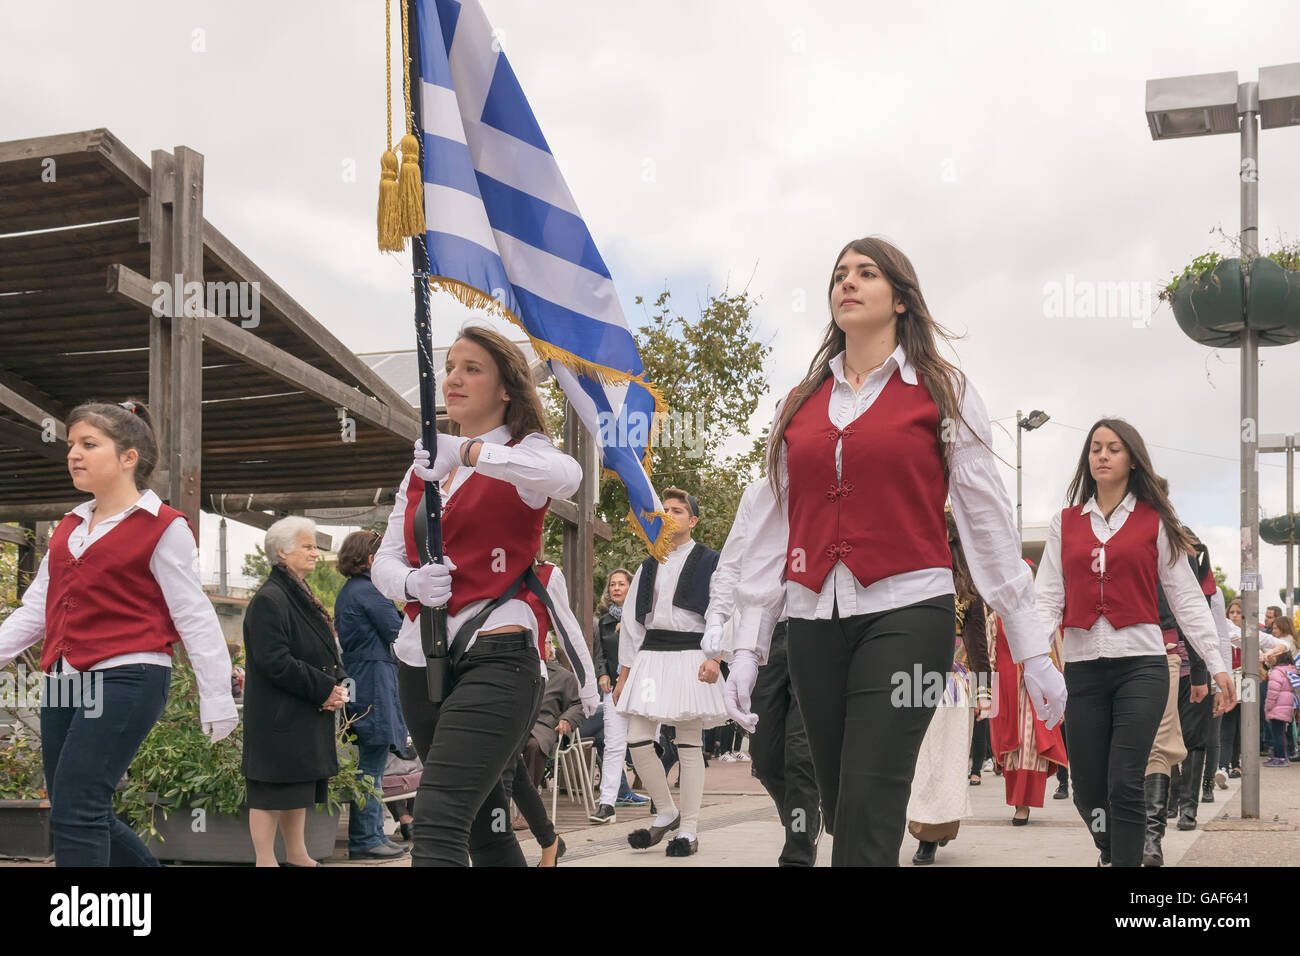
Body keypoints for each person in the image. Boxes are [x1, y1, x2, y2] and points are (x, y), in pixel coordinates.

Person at [725, 237, 1066, 866]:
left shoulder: (942, 389)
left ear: (901, 300)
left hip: (909, 612)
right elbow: (772, 529)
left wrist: (1030, 647)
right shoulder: (797, 405)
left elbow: (987, 524)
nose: (847, 283)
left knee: (870, 803)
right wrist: (747, 643)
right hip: (812, 623)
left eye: (866, 273)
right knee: (842, 800)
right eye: (838, 276)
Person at [370, 324, 586, 867]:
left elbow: (568, 476)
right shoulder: (422, 467)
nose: (452, 380)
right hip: (420, 658)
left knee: (438, 822)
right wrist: (411, 583)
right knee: (487, 832)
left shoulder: (524, 454)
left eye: (472, 369)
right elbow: (384, 560)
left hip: (498, 651)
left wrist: (466, 452)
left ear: (507, 387)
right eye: (449, 368)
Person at [0, 400, 236, 867]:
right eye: (71, 445)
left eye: (89, 444)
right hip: (65, 679)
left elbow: (194, 615)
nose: (74, 454)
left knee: (77, 809)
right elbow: (36, 610)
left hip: (128, 674)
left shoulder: (164, 526)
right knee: (79, 808)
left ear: (129, 457)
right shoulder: (68, 526)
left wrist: (217, 695)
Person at [1035, 418, 1236, 867]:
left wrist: (1217, 664)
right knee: (1087, 789)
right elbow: (1048, 597)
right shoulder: (1063, 523)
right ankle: (1112, 849)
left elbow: (1187, 599)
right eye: (1095, 449)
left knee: (1125, 781)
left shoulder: (1153, 521)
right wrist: (1034, 660)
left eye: (1114, 448)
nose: (1102, 456)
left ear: (1131, 460)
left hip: (1141, 667)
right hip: (1083, 669)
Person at [704, 476, 820, 866]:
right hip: (762, 638)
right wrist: (717, 618)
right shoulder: (758, 493)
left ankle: (798, 850)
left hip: (817, 627)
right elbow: (731, 563)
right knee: (767, 758)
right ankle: (805, 819)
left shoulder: (831, 482)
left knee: (801, 755)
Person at [614, 487, 728, 858]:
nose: (669, 514)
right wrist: (623, 674)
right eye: (665, 509)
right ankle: (667, 811)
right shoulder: (648, 562)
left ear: (693, 521)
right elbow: (632, 624)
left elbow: (724, 610)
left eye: (677, 510)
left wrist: (716, 656)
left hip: (692, 653)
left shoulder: (711, 560)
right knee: (637, 739)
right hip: (651, 655)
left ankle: (690, 829)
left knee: (690, 743)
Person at [242, 516, 349, 867]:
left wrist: (337, 685)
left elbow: (322, 649)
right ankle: (264, 860)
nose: (315, 553)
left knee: (296, 785)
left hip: (300, 708)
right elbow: (274, 661)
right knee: (270, 788)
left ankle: (297, 854)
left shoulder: (296, 593)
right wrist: (324, 688)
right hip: (279, 712)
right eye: (307, 546)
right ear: (283, 553)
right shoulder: (270, 599)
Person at [907, 513, 994, 865]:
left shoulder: (968, 590)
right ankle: (926, 826)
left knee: (947, 759)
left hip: (953, 682)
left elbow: (977, 644)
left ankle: (932, 832)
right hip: (910, 679)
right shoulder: (907, 579)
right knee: (920, 760)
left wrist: (985, 693)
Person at [334, 530, 410, 860]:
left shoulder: (351, 591)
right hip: (373, 680)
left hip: (360, 677)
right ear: (369, 559)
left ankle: (373, 832)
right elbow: (399, 629)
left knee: (371, 763)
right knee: (371, 766)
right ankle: (366, 836)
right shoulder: (369, 591)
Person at [986, 558, 1068, 827]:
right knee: (1013, 748)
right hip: (1008, 691)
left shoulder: (1042, 616)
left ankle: (1024, 804)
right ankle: (1018, 801)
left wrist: (1060, 694)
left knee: (1031, 745)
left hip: (1036, 693)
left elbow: (1056, 654)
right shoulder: (994, 618)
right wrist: (987, 698)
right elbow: (990, 660)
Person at [588, 568, 648, 822]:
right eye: (612, 584)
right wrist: (601, 673)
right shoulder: (604, 622)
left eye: (621, 584)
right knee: (613, 745)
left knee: (647, 742)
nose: (615, 588)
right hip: (613, 688)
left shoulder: (644, 617)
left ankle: (659, 798)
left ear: (630, 588)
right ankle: (607, 805)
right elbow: (600, 653)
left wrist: (631, 630)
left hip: (642, 687)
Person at [1263, 650, 1298, 766]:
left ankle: (1280, 757)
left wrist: (1267, 706)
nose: (1269, 657)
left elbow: (1273, 692)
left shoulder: (1276, 672)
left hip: (1277, 706)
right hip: (1286, 705)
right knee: (1282, 732)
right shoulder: (1290, 670)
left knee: (1277, 733)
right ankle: (1284, 755)